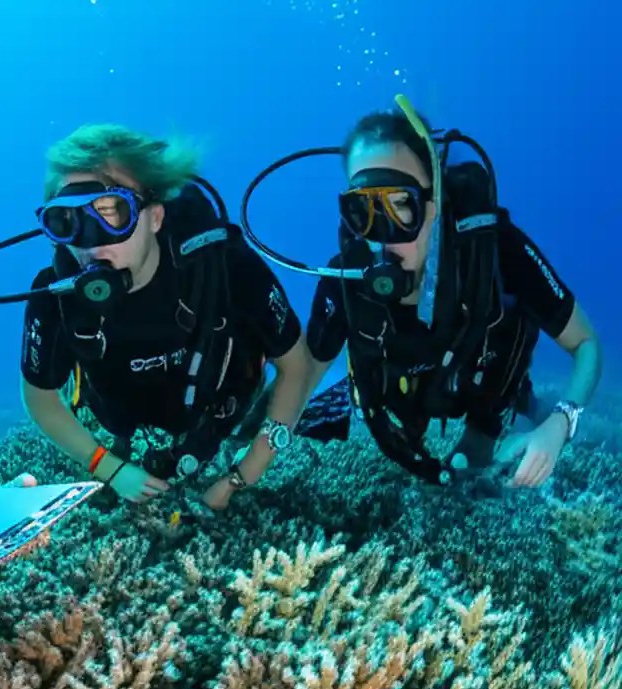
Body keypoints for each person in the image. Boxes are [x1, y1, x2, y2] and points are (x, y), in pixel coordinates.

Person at [240, 95, 602, 488]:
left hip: (481, 382)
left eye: (401, 205)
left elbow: (586, 344)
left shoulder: (497, 250)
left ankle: (520, 408)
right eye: (364, 210)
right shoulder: (347, 277)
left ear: (434, 204)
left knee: (473, 466)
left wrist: (560, 423)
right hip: (408, 389)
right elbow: (306, 374)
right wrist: (252, 439)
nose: (383, 237)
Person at [0, 124, 313, 514]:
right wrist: (109, 468)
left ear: (155, 217)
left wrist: (240, 476)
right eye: (67, 221)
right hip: (121, 422)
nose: (90, 242)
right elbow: (39, 397)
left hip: (224, 407)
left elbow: (295, 366)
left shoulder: (225, 266)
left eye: (111, 213)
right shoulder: (55, 296)